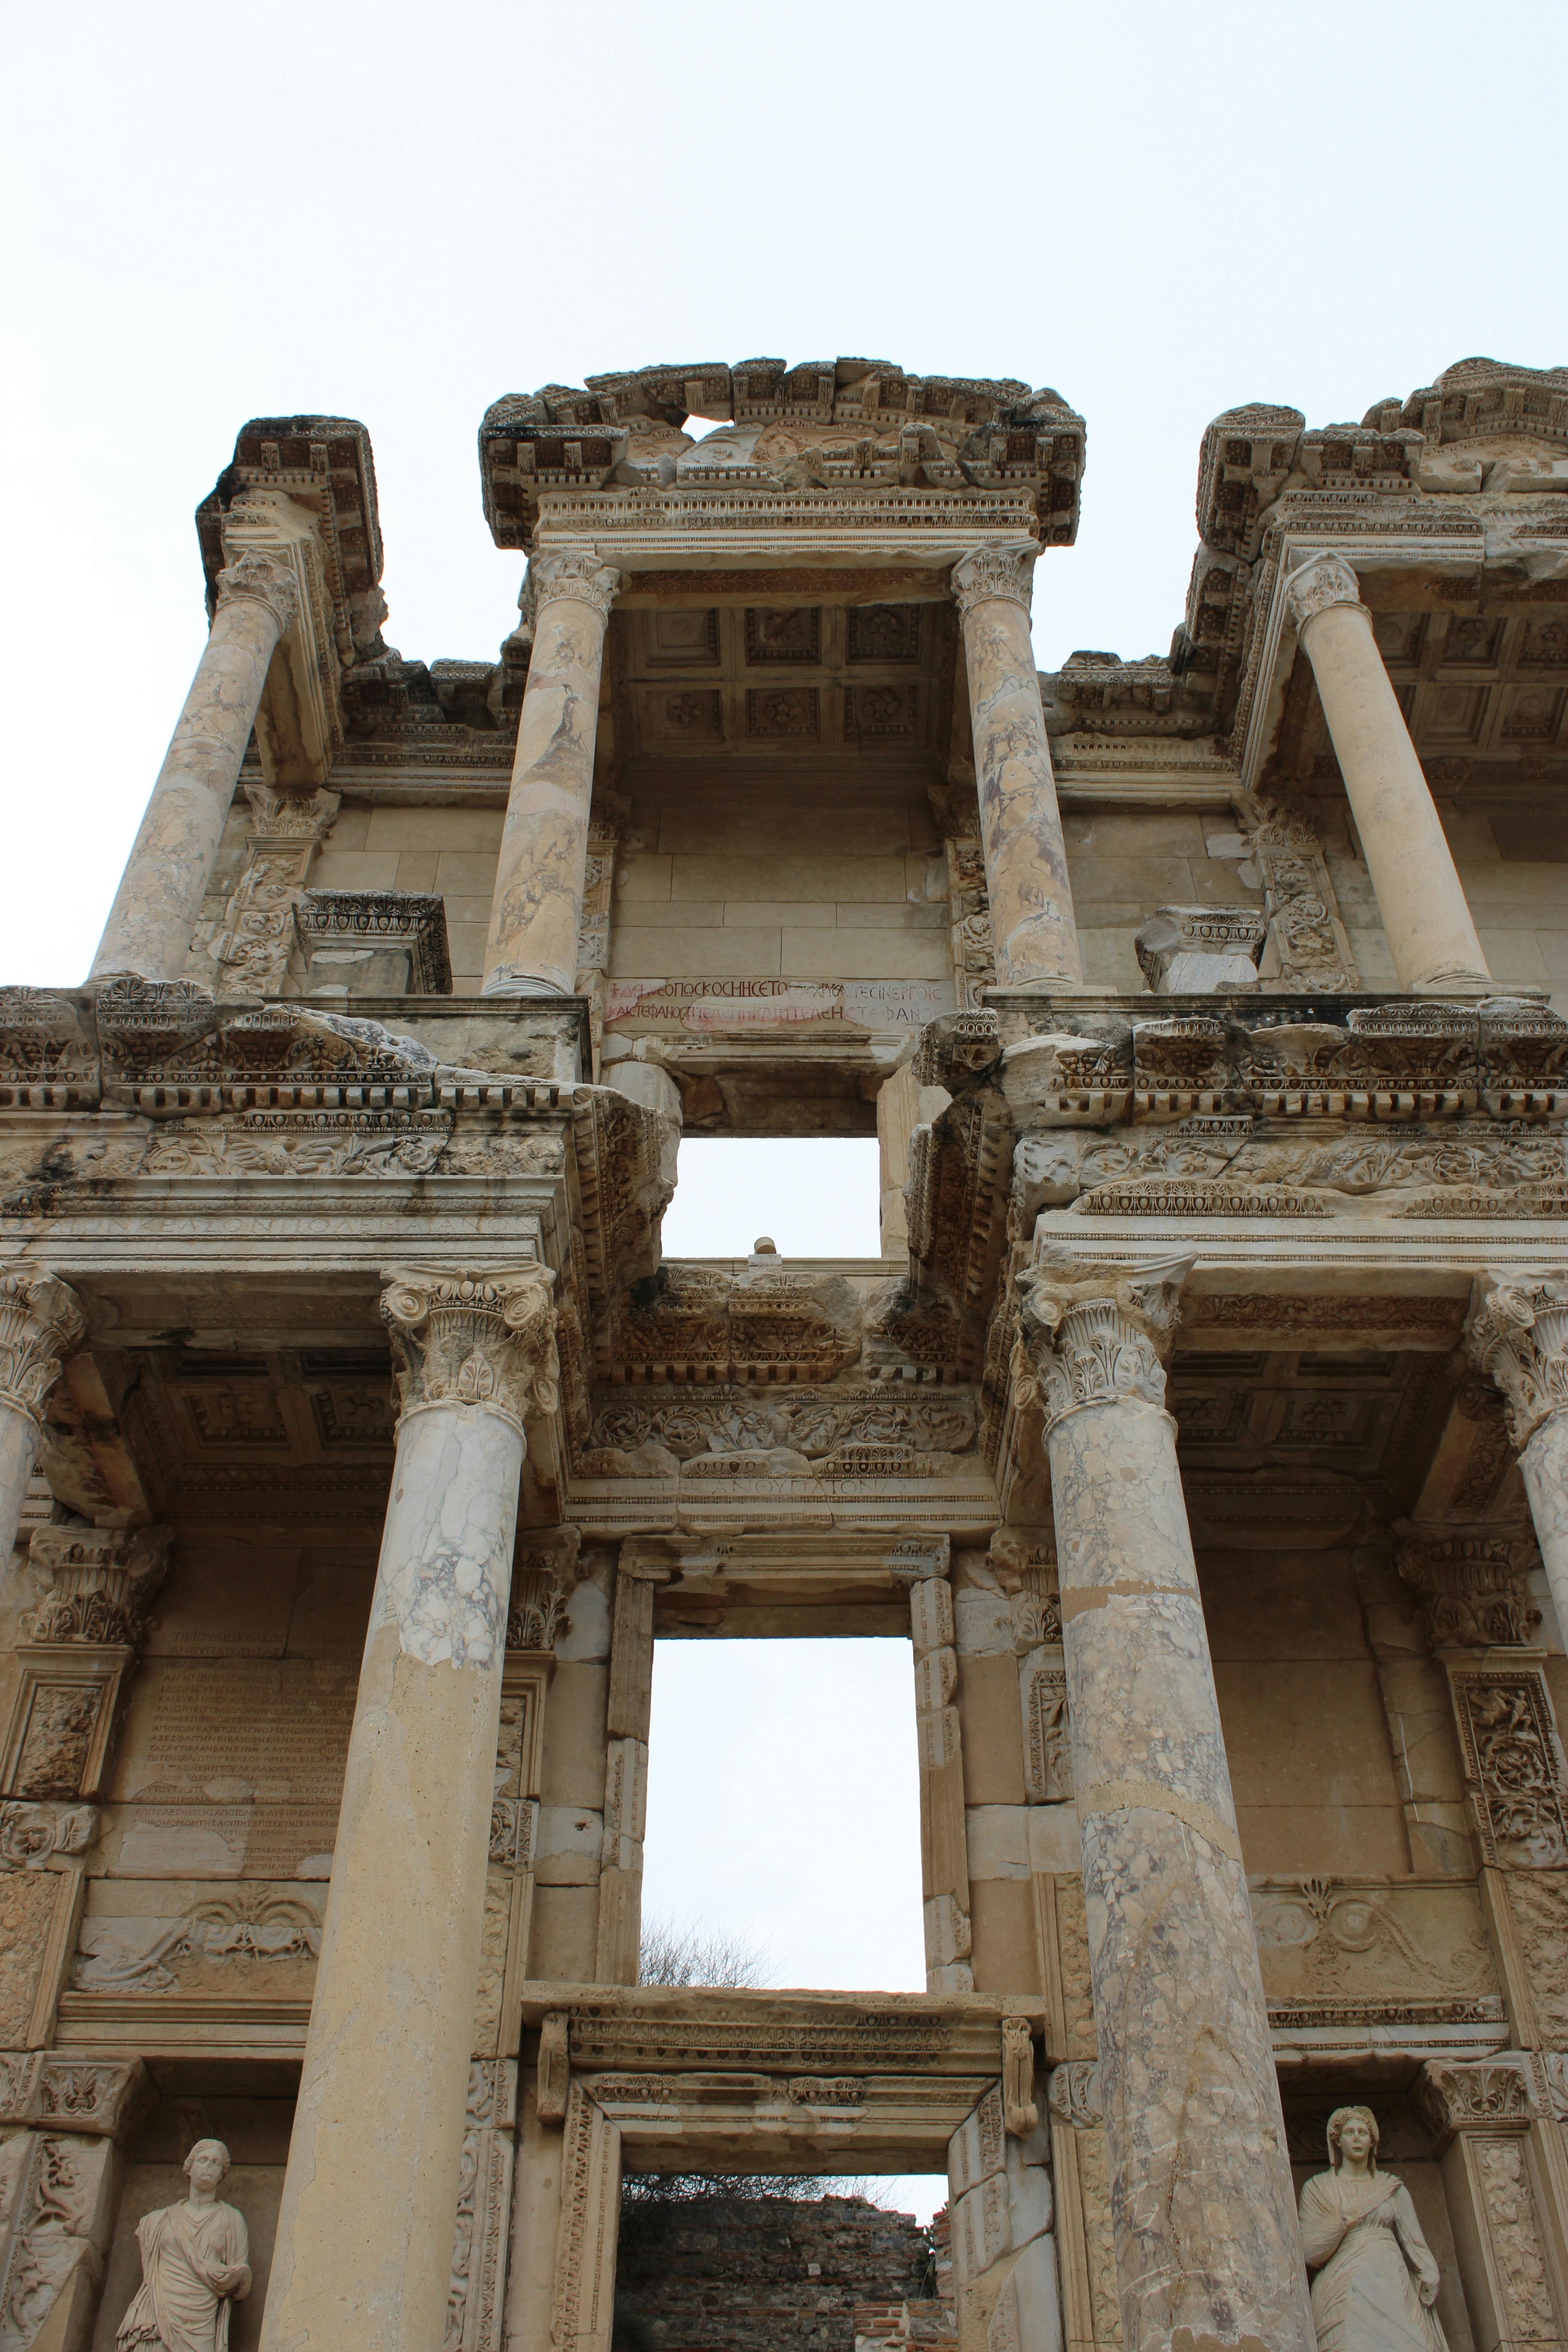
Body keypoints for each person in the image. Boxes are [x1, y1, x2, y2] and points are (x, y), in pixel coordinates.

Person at [1298, 2105, 1449, 2352]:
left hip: (1392, 2285)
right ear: (1338, 2142)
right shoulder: (1319, 2188)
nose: (1357, 2138)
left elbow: (1417, 2244)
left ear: (1372, 2143)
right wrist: (1343, 2223)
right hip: (1343, 2288)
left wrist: (1430, 2273)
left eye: (1363, 2133)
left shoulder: (1392, 2188)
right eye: (1350, 2133)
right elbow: (1310, 2251)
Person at [117, 2139, 251, 2352]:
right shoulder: (157, 2221)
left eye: (216, 2163)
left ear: (222, 2174)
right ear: (190, 2168)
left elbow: (241, 2285)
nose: (208, 2167)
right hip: (157, 2313)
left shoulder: (233, 2221)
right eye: (203, 2160)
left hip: (203, 2319)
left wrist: (225, 2275)